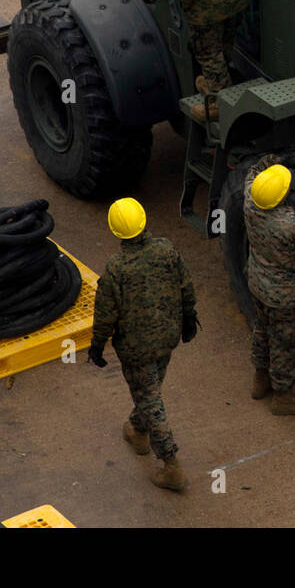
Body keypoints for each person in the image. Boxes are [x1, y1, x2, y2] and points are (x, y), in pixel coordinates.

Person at [89, 197, 199, 491]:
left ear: (115, 231)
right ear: (144, 221)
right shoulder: (166, 249)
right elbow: (186, 286)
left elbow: (105, 313)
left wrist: (97, 345)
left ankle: (171, 465)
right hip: (167, 336)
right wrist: (189, 320)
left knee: (149, 397)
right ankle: (137, 431)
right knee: (149, 388)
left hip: (136, 348)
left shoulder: (116, 268)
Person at [243, 156, 295, 415]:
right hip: (284, 296)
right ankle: (283, 396)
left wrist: (272, 160)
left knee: (262, 330)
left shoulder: (250, 200)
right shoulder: (292, 225)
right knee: (287, 343)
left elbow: (254, 170)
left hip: (256, 282)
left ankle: (260, 379)